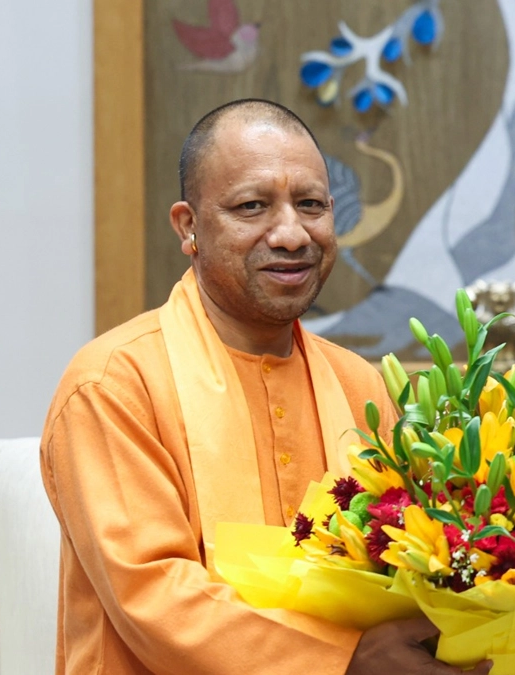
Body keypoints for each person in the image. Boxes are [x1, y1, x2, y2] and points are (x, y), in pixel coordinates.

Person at [40, 99, 479, 675]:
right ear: (188, 225)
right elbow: (154, 596)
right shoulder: (115, 383)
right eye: (252, 207)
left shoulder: (358, 383)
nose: (293, 235)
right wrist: (342, 662)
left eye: (312, 205)